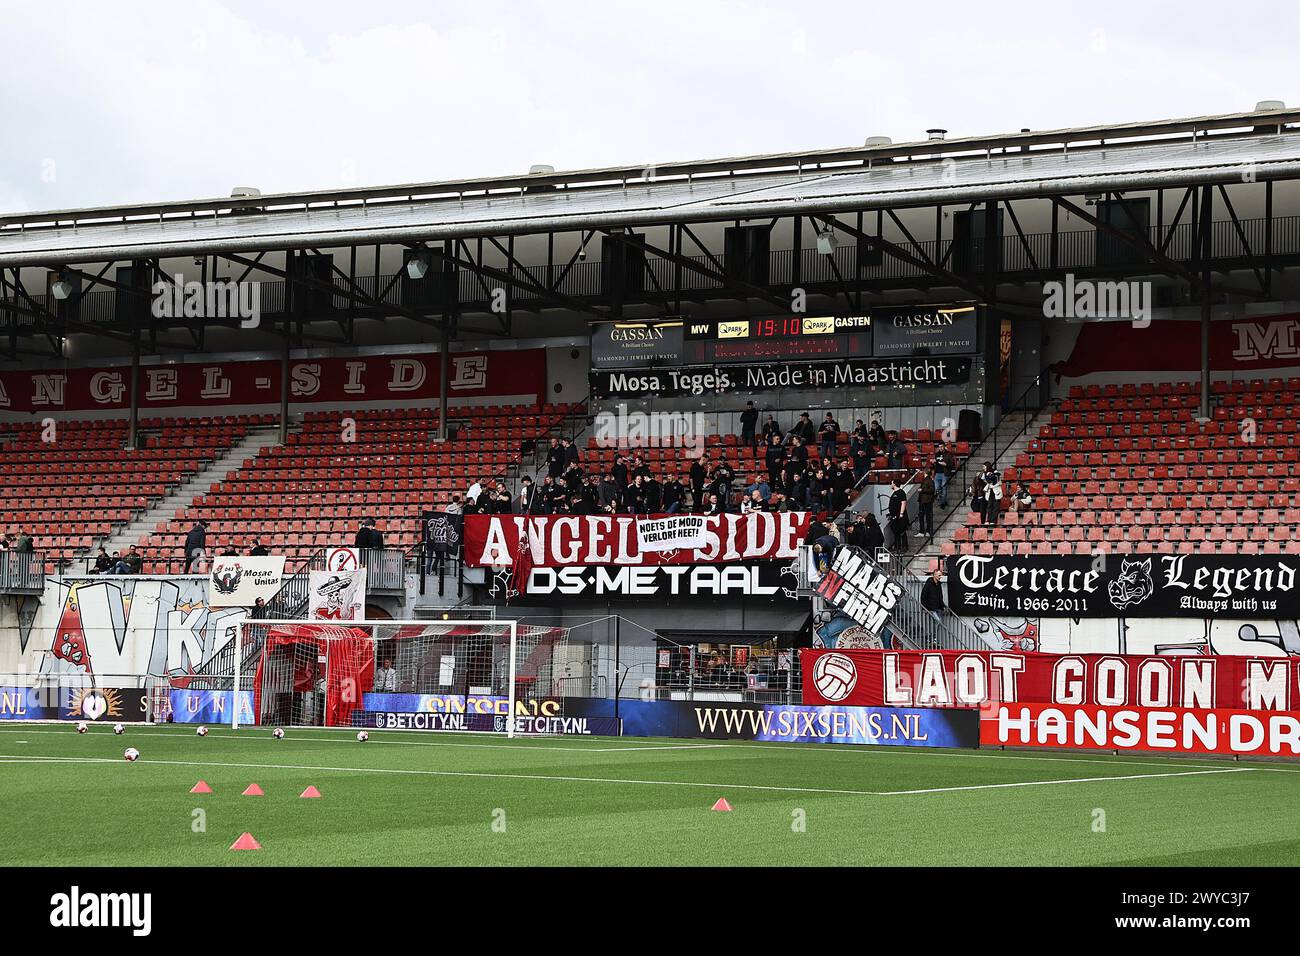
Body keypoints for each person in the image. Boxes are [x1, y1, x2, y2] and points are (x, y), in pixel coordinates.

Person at [887, 479, 909, 553]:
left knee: (901, 531)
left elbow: (903, 503)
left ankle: (904, 546)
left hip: (899, 516)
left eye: (892, 483)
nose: (891, 484)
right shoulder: (894, 493)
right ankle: (897, 546)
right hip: (894, 516)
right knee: (896, 531)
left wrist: (901, 513)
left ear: (894, 484)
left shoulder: (901, 492)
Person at [933, 441, 956, 509]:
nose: (940, 448)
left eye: (942, 447)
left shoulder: (949, 454)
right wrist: (933, 462)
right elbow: (936, 463)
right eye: (939, 447)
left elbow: (952, 464)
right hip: (937, 473)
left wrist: (946, 464)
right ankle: (942, 500)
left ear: (944, 447)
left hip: (945, 474)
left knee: (944, 488)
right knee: (937, 488)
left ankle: (942, 503)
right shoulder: (937, 454)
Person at [917, 468, 937, 538]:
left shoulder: (929, 480)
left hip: (927, 501)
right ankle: (922, 531)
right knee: (922, 516)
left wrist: (922, 490)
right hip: (923, 500)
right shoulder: (926, 480)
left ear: (925, 473)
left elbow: (932, 490)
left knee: (927, 516)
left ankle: (927, 531)